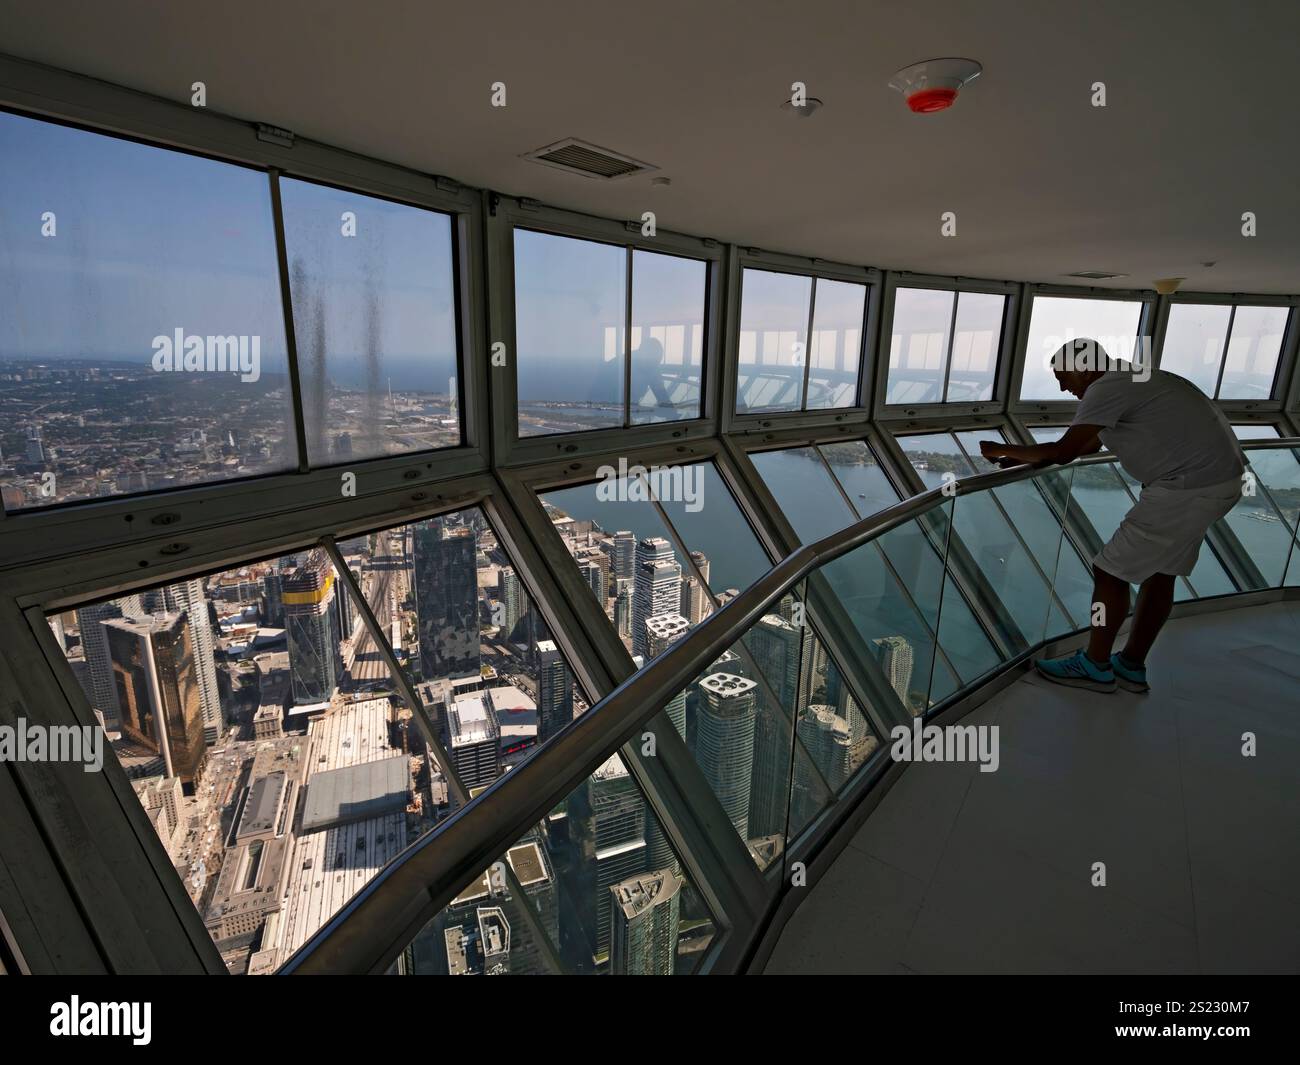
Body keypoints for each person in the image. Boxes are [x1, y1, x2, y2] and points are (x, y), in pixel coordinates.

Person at [979, 338, 1245, 693]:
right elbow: (1089, 445)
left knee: (1109, 570)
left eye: (1064, 377)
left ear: (1086, 368)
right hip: (1219, 482)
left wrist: (1001, 448)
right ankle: (1131, 665)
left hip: (1185, 489)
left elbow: (1064, 451)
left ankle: (1095, 664)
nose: (1062, 387)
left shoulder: (1107, 386)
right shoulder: (1134, 378)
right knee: (1160, 572)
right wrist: (1022, 458)